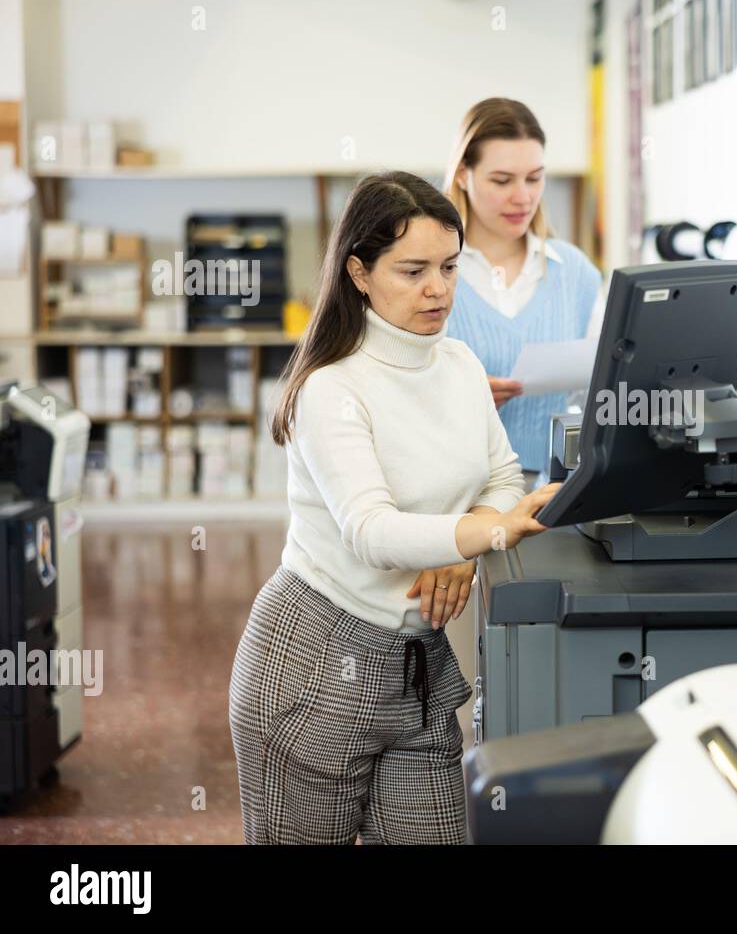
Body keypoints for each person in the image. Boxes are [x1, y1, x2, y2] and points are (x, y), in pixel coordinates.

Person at [228, 171, 560, 844]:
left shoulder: (460, 364)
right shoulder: (331, 388)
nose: (437, 289)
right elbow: (371, 532)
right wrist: (489, 532)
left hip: (417, 670)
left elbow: (502, 473)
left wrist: (459, 555)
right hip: (313, 663)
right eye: (412, 271)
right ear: (359, 271)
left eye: (448, 267)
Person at [443, 97, 604, 483]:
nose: (523, 197)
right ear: (464, 174)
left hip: (554, 493)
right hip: (456, 498)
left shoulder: (575, 271)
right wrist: (454, 399)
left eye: (534, 178)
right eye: (502, 180)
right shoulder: (433, 272)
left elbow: (598, 392)